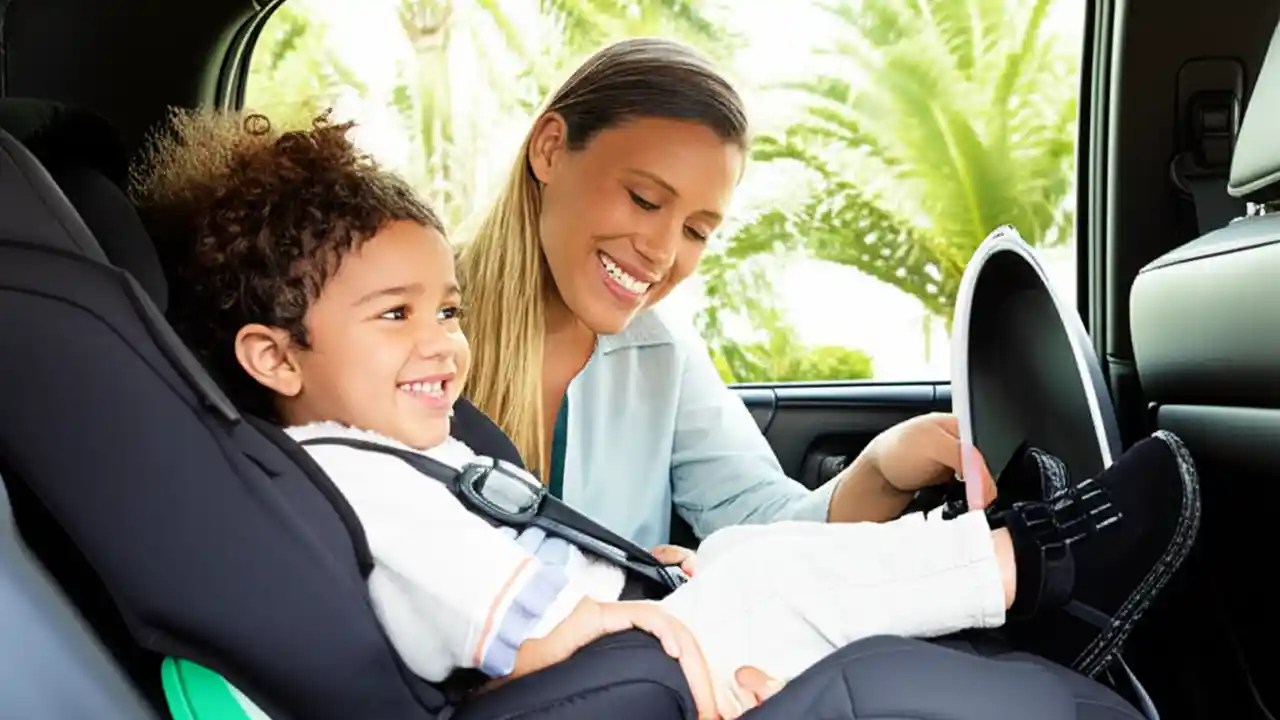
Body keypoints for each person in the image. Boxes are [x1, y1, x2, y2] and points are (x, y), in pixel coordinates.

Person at [133, 110, 1198, 719]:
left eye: (446, 310)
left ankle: (1011, 567)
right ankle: (1031, 564)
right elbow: (497, 614)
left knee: (745, 553)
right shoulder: (359, 471)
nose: (441, 340)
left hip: (634, 621)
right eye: (645, 201)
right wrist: (623, 623)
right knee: (761, 578)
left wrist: (653, 566)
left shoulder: (427, 429)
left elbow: (543, 553)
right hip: (624, 663)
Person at [457, 37, 977, 552]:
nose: (662, 252)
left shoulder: (661, 354)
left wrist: (883, 468)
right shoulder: (420, 321)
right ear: (550, 149)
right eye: (644, 199)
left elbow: (767, 524)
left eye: (696, 231)